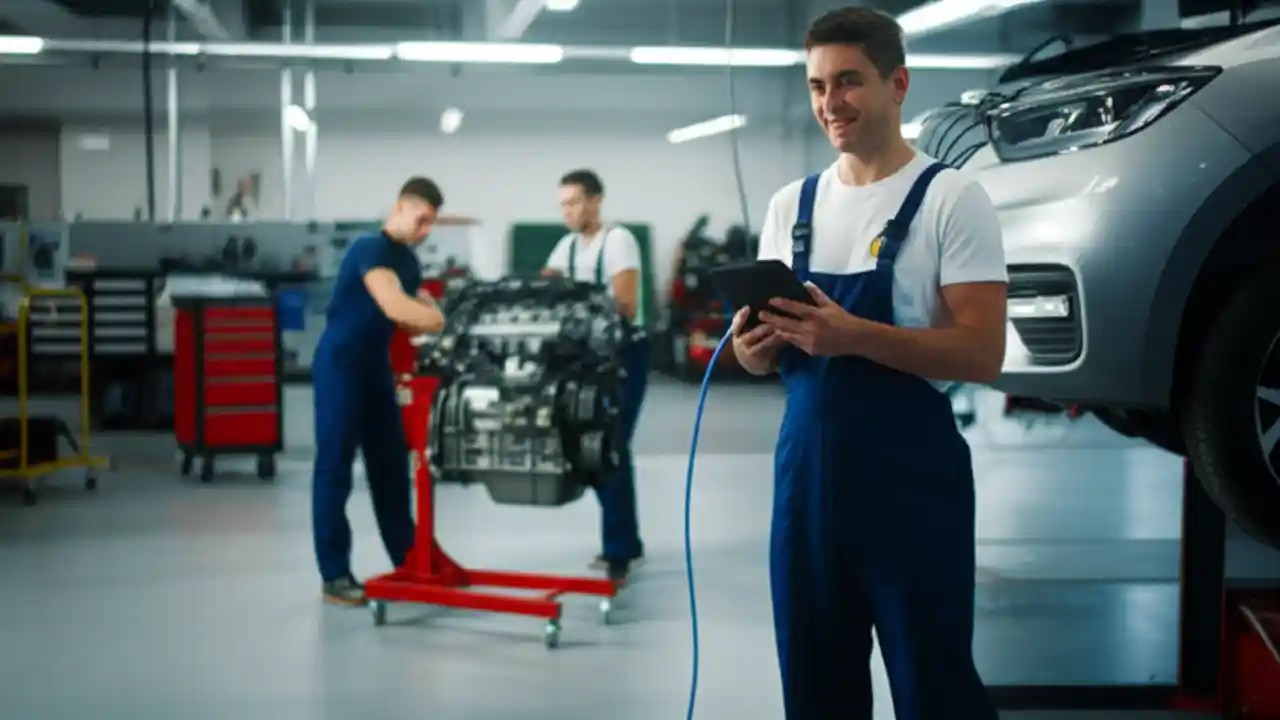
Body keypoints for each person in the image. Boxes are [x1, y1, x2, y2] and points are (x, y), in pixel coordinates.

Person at [732, 7, 1006, 719]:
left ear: (898, 84)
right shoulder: (791, 206)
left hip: (911, 482)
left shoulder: (952, 199)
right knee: (815, 689)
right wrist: (750, 352)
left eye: (849, 81)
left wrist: (854, 337)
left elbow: (983, 352)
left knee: (933, 687)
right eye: (818, 85)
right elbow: (763, 359)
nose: (831, 103)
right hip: (804, 483)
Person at [312, 176, 447, 606]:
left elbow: (416, 314)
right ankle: (335, 575)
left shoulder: (408, 262)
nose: (425, 231)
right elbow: (397, 306)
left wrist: (430, 315)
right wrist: (438, 319)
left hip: (375, 369)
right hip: (340, 366)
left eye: (431, 223)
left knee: (390, 467)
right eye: (421, 219)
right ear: (401, 207)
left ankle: (408, 560)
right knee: (335, 467)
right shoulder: (369, 248)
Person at [541, 169, 648, 585]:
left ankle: (620, 550)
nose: (566, 212)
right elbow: (545, 291)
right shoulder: (566, 247)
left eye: (573, 202)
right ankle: (626, 542)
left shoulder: (617, 241)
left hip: (623, 355)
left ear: (595, 201)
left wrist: (573, 306)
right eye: (562, 205)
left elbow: (625, 305)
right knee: (594, 445)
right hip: (585, 357)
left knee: (612, 445)